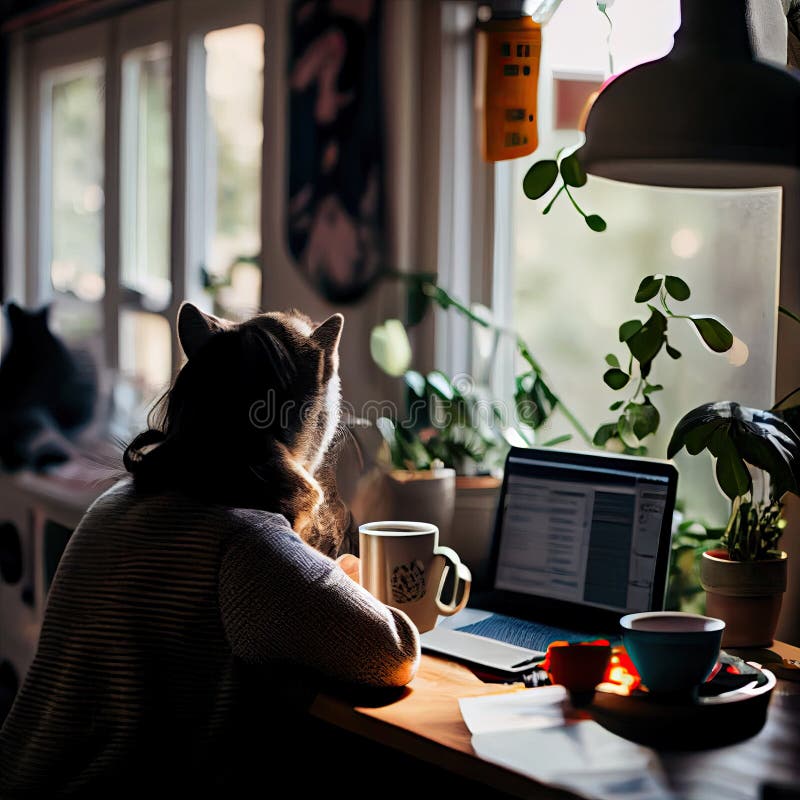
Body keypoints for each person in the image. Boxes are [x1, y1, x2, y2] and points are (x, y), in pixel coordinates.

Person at [0, 303, 420, 797]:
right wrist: (345, 588)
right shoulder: (245, 543)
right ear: (311, 413)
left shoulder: (116, 503)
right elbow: (392, 651)